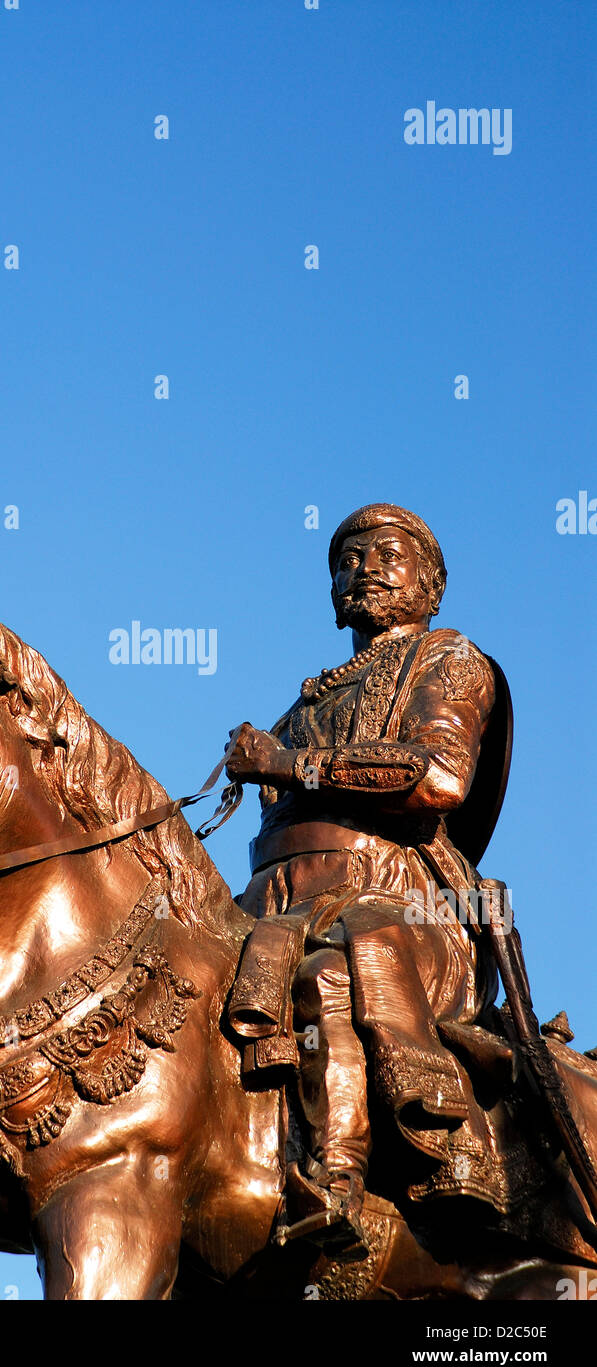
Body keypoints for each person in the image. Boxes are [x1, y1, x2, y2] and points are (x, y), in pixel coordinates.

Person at [224, 503, 512, 1254]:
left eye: (387, 554)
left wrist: (288, 766)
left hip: (401, 902)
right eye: (346, 559)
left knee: (330, 971)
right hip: (273, 903)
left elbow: (437, 777)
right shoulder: (299, 707)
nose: (364, 568)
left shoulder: (449, 659)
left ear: (432, 583)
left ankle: (345, 1177)